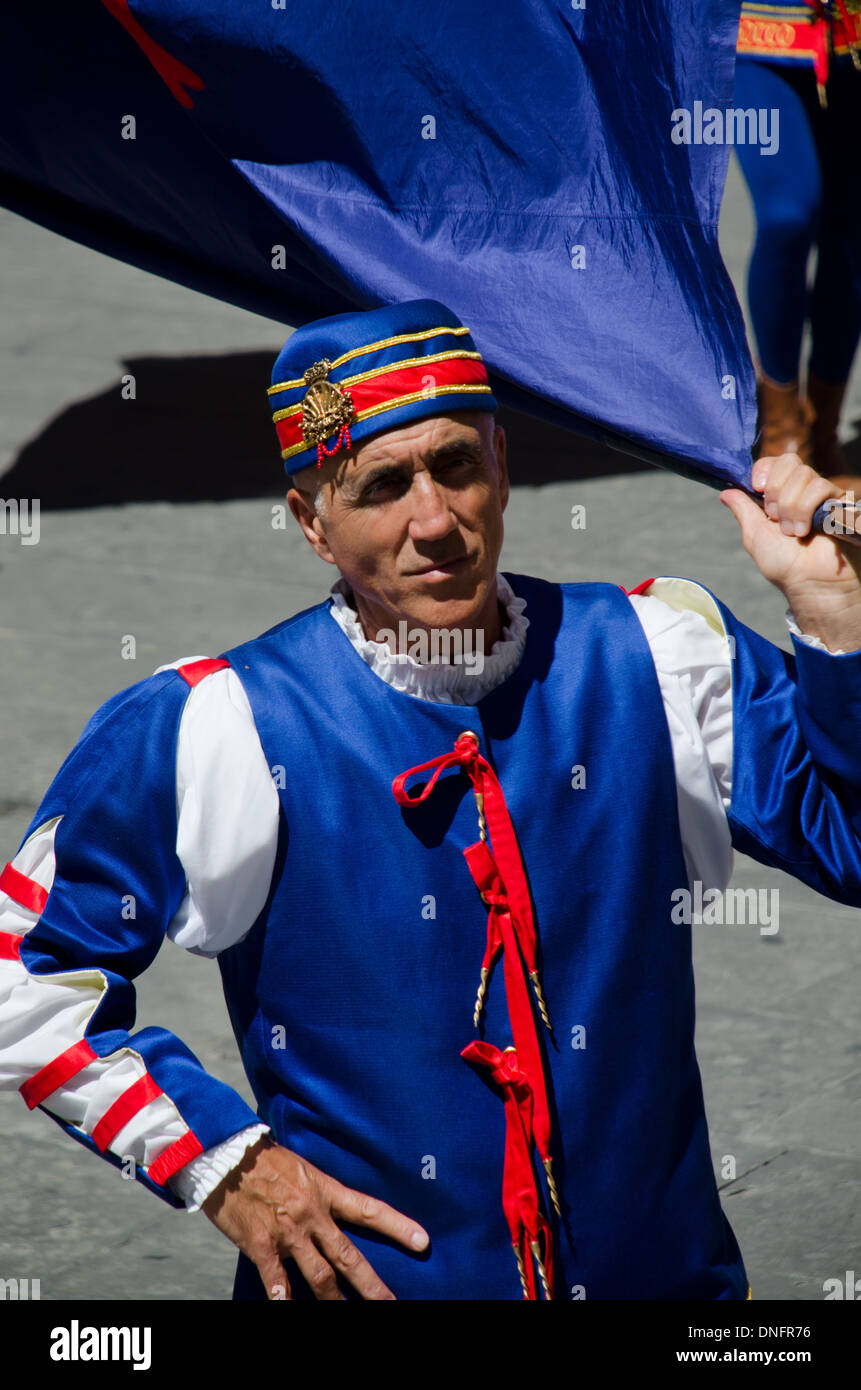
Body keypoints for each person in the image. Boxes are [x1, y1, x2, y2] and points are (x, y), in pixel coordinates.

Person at [1, 299, 860, 1302]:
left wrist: (834, 621)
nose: (435, 521)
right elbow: (25, 974)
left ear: (502, 461)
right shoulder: (218, 722)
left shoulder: (658, 652)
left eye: (456, 465)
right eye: (382, 486)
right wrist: (224, 1163)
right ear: (312, 522)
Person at [734, 1, 861, 476]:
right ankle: (783, 422)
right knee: (787, 214)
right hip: (757, 31)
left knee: (852, 237)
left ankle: (824, 431)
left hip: (854, 39)